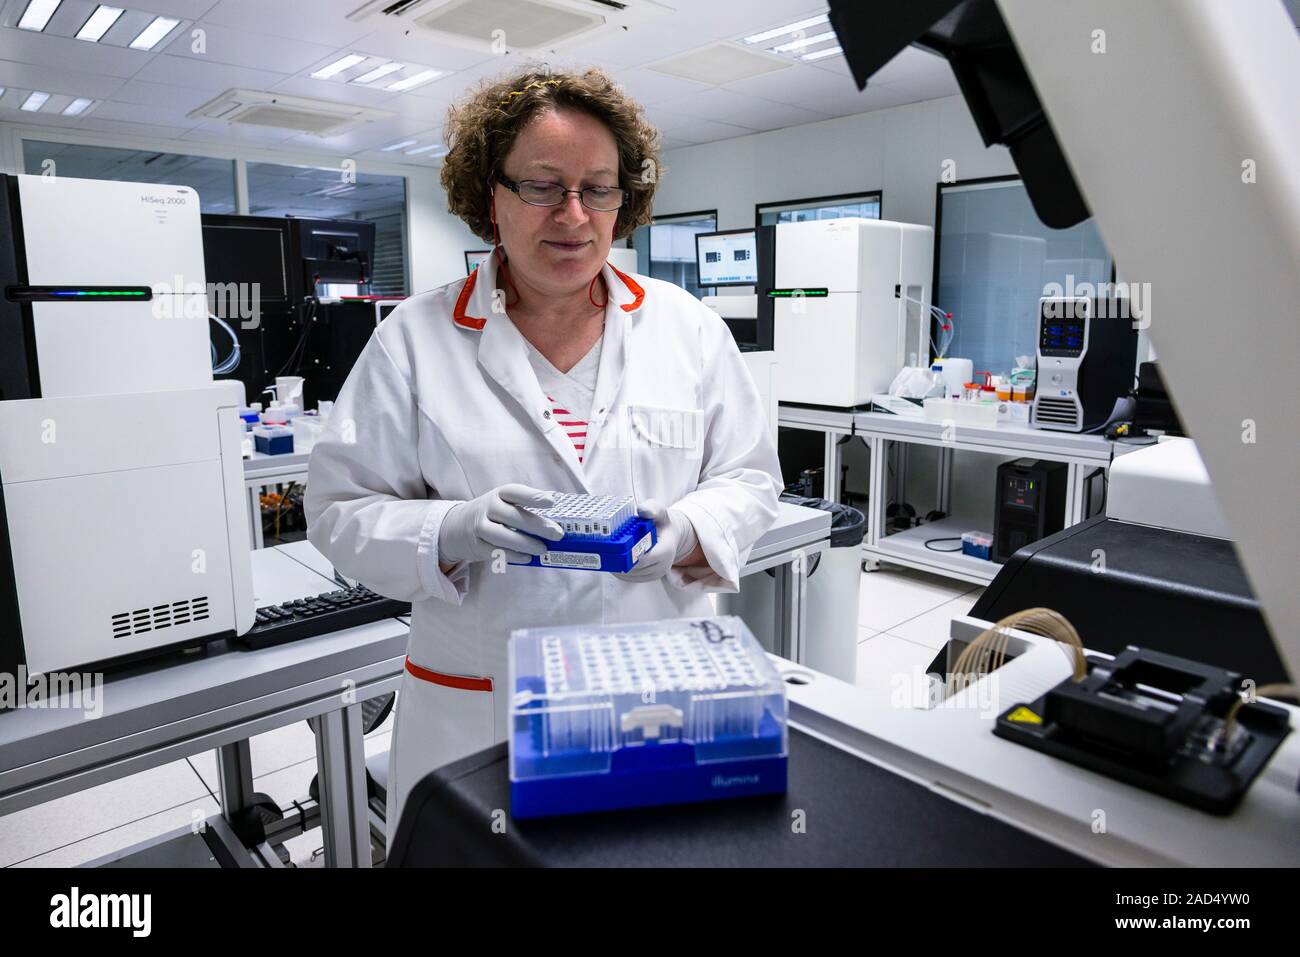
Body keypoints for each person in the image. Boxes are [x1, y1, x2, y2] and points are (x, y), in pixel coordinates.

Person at [304, 67, 782, 840]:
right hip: (478, 706)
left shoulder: (687, 330)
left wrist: (688, 530)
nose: (574, 214)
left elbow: (750, 478)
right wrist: (449, 530)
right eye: (542, 186)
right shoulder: (413, 343)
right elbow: (335, 509)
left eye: (598, 188)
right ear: (490, 197)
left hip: (652, 692)